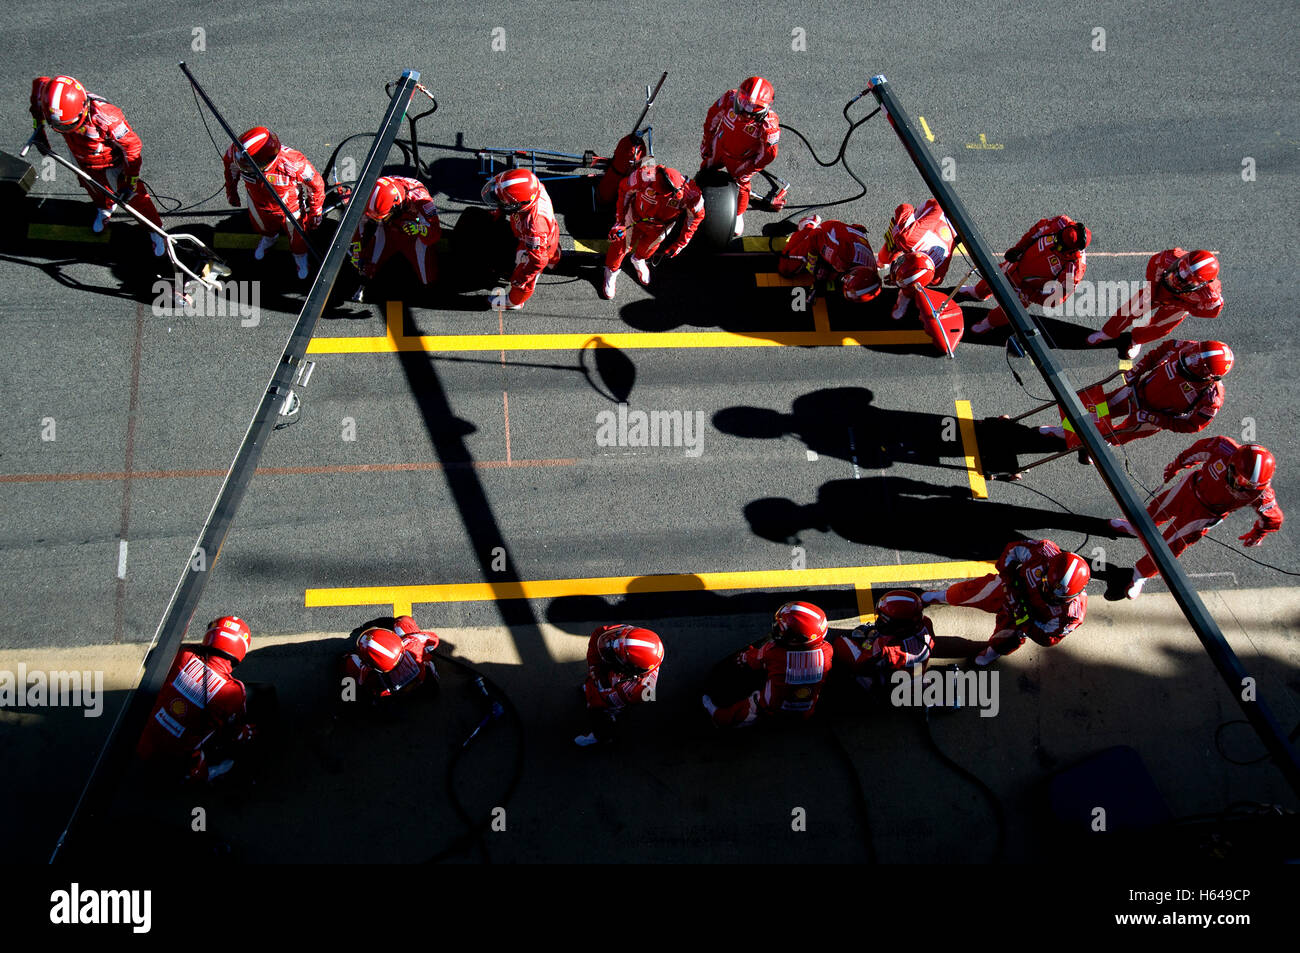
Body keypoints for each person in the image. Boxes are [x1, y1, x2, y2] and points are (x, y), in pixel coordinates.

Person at [1111, 439, 1282, 598]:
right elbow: (1196, 451)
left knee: (1172, 543)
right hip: (1189, 487)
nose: (1237, 487)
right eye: (1235, 479)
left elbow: (1273, 519)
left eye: (1246, 487)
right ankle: (1134, 526)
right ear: (1232, 462)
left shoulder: (1263, 495)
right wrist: (1176, 466)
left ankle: (1141, 574)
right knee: (1156, 510)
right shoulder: (1221, 448)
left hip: (1206, 515)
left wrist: (1258, 533)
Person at [29, 74, 166, 255]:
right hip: (80, 158)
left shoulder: (107, 117)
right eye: (58, 126)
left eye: (66, 126)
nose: (62, 130)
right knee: (91, 186)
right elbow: (36, 105)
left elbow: (133, 148)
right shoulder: (44, 93)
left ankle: (155, 231)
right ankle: (104, 207)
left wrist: (129, 182)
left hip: (111, 162)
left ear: (83, 109)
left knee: (135, 199)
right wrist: (38, 130)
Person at [921, 542, 1089, 666]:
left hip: (1023, 618)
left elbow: (1049, 637)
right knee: (967, 591)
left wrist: (1025, 621)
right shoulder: (1042, 551)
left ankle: (991, 653)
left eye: (1057, 596)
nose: (1048, 594)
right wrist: (1009, 580)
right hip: (1007, 589)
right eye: (1047, 585)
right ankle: (939, 596)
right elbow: (1012, 550)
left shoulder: (1073, 613)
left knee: (1008, 639)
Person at [136, 616, 260, 783]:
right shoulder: (234, 691)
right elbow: (235, 727)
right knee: (240, 737)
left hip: (140, 741)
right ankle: (204, 776)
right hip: (177, 760)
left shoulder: (184, 656)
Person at [1038, 340, 1232, 447]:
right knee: (1097, 407)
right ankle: (1064, 429)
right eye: (1186, 359)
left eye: (1190, 368)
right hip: (1137, 390)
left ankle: (1099, 447)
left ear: (1210, 378)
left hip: (1152, 417)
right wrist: (1136, 371)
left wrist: (1155, 419)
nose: (1185, 364)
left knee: (1118, 435)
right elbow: (1157, 354)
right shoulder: (1186, 348)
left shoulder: (1211, 399)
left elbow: (1191, 425)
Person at [703, 601, 835, 727]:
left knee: (750, 707)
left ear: (797, 639)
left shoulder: (773, 652)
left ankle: (719, 718)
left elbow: (752, 660)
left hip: (774, 709)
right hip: (806, 710)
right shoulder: (827, 650)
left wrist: (741, 657)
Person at [222, 126, 325, 280]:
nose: (244, 168)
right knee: (262, 227)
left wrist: (316, 210)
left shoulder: (292, 162)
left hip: (290, 208)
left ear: (264, 160)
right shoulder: (236, 154)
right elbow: (230, 171)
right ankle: (269, 238)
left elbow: (316, 185)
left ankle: (300, 257)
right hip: (258, 204)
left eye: (248, 166)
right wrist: (231, 192)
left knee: (298, 239)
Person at [959, 215, 1089, 334]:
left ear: (1072, 249)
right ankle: (978, 293)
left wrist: (1033, 295)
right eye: (1057, 237)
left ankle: (989, 323)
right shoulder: (1060, 223)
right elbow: (1035, 231)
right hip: (1017, 265)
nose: (1056, 242)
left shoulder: (1075, 268)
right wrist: (1018, 248)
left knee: (1009, 310)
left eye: (1060, 245)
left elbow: (1057, 296)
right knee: (992, 276)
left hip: (1029, 289)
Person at [1087, 249, 1222, 358]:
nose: (1176, 278)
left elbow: (1209, 312)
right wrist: (1152, 289)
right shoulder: (1170, 257)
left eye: (1186, 280)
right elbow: (1153, 266)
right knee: (1130, 310)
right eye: (1178, 271)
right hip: (1159, 290)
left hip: (1180, 305)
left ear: (1202, 284)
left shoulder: (1211, 296)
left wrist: (1185, 306)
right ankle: (1108, 332)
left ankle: (1136, 339)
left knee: (1160, 327)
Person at [602, 163, 704, 299]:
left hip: (661, 227)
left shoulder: (691, 193)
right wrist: (619, 222)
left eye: (658, 192)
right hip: (635, 217)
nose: (654, 192)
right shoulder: (644, 173)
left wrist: (680, 244)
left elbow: (696, 217)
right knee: (620, 246)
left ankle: (638, 260)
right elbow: (624, 190)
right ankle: (611, 271)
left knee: (649, 249)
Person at [700, 76, 780, 237]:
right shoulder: (729, 98)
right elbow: (712, 118)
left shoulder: (769, 125)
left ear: (765, 107)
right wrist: (707, 142)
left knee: (743, 185)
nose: (746, 109)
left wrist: (750, 169)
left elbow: (769, 154)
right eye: (743, 100)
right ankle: (696, 199)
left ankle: (737, 214)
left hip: (742, 160)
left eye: (753, 106)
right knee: (705, 170)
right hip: (720, 146)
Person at [480, 168, 559, 310]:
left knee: (524, 281)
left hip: (536, 246)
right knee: (552, 250)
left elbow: (538, 261)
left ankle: (514, 302)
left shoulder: (534, 227)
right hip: (549, 233)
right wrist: (501, 209)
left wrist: (522, 277)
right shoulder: (533, 187)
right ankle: (555, 259)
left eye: (504, 202)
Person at [574, 623, 664, 746]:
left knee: (598, 713)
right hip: (619, 687)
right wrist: (595, 668)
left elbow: (601, 699)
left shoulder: (630, 690)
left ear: (630, 670)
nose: (610, 643)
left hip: (616, 697)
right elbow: (599, 633)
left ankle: (600, 736)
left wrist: (596, 680)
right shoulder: (628, 635)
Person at [829, 590, 935, 694]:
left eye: (884, 619)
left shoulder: (887, 648)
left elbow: (860, 661)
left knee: (858, 674)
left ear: (900, 627)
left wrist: (867, 640)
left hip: (893, 690)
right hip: (915, 676)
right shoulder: (926, 624)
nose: (879, 621)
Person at [350, 175, 441, 289]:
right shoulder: (373, 192)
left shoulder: (422, 200)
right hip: (387, 230)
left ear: (396, 205)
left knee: (429, 279)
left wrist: (419, 229)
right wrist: (357, 247)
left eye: (384, 215)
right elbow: (360, 221)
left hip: (412, 236)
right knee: (363, 268)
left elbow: (435, 233)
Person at [878, 199, 957, 320]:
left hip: (947, 228)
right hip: (933, 208)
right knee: (894, 243)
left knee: (911, 284)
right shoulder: (906, 238)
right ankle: (883, 262)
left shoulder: (937, 278)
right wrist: (903, 224)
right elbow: (904, 207)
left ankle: (905, 296)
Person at [776, 214, 882, 303]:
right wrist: (813, 262)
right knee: (786, 267)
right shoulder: (840, 257)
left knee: (829, 278)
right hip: (827, 232)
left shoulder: (871, 275)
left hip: (851, 237)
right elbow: (815, 236)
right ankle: (809, 224)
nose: (845, 280)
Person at [341, 615, 440, 701]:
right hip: (420, 677)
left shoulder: (376, 679)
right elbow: (434, 640)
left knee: (350, 662)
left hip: (396, 693)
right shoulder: (414, 642)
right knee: (404, 622)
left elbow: (365, 684)